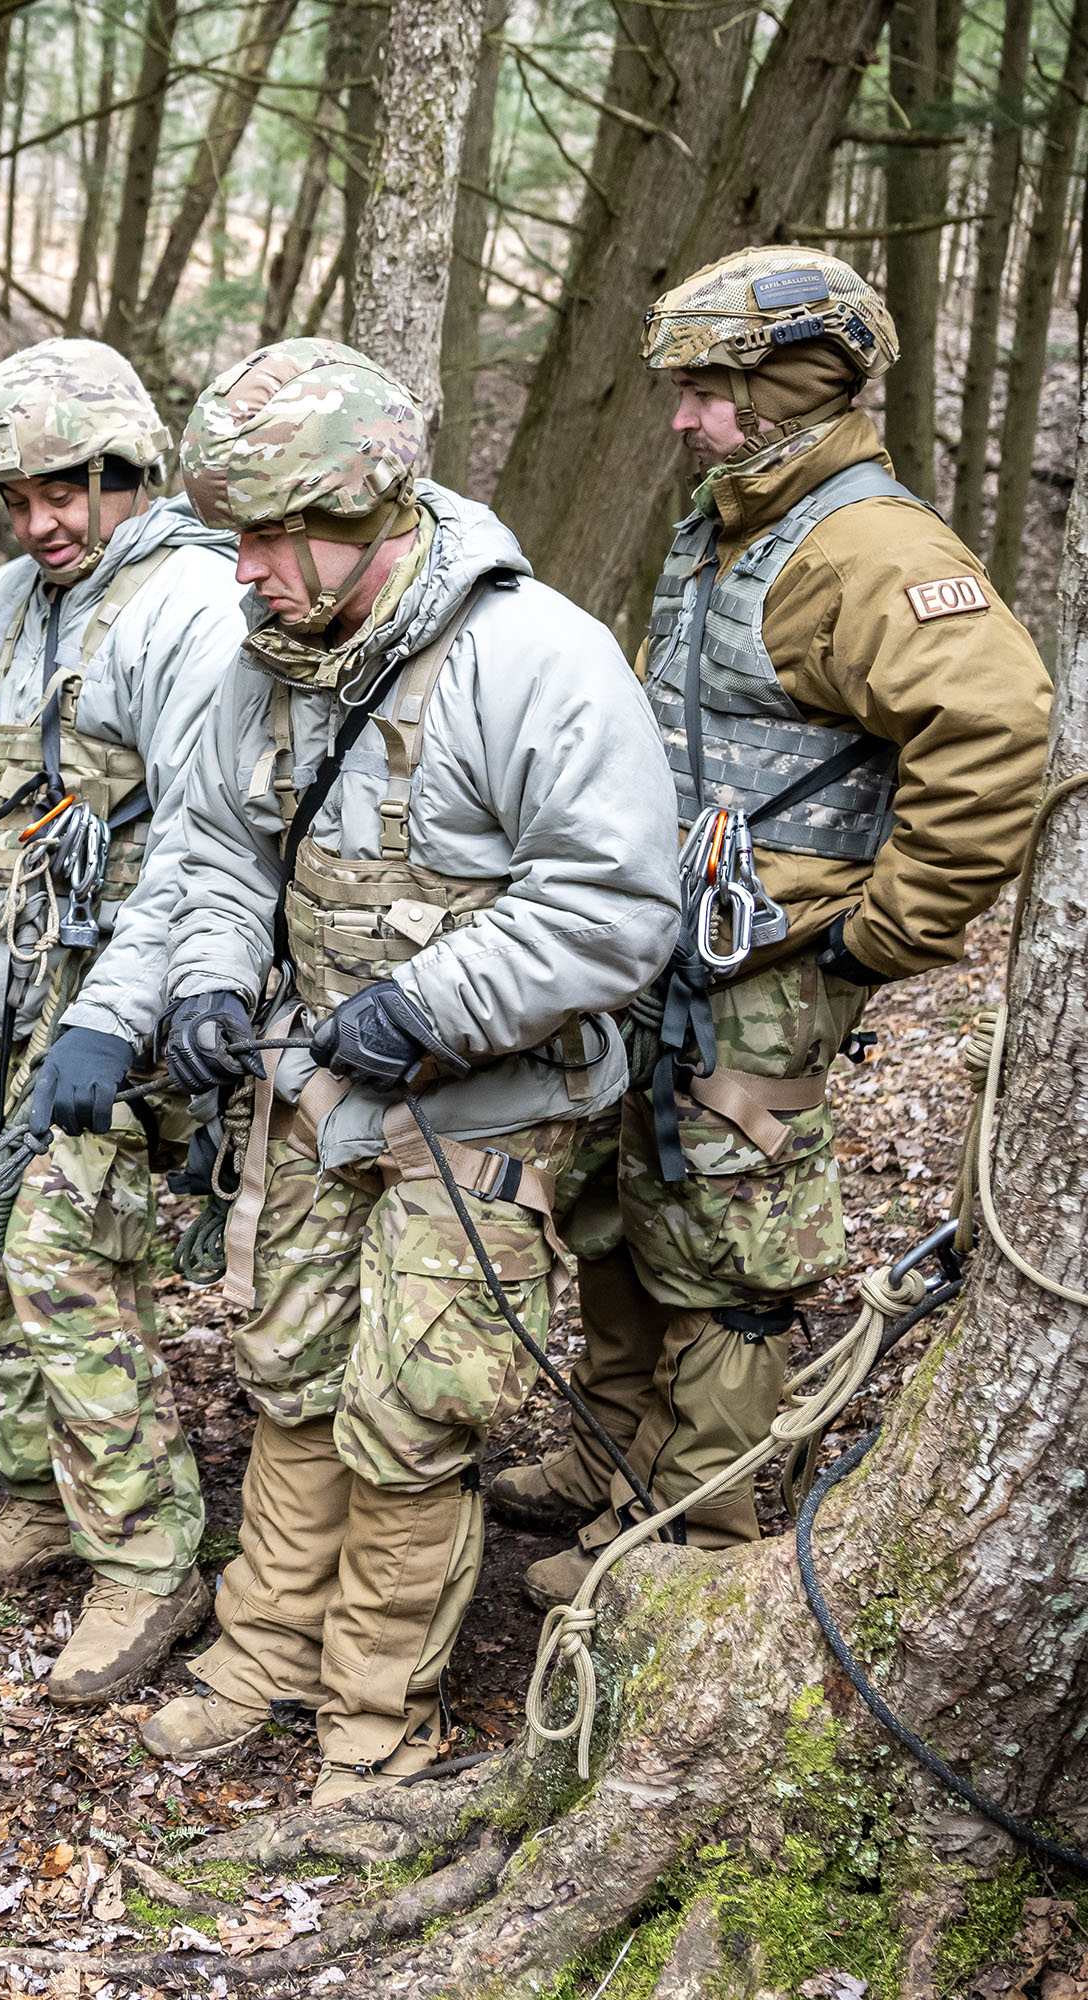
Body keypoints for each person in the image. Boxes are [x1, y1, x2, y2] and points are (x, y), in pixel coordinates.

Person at [133, 340, 679, 1802]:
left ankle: (372, 1716)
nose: (240, 570)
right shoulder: (262, 664)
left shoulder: (535, 657)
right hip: (317, 1102)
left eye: (263, 536)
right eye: (232, 536)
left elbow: (618, 907)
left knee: (416, 1404)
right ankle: (261, 1654)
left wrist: (424, 1005)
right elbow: (211, 849)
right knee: (292, 1371)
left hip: (481, 1115)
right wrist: (208, 980)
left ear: (358, 513)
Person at [493, 248, 1053, 1603]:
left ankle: (701, 1537)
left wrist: (881, 939)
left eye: (708, 390)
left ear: (792, 386)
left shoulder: (872, 545)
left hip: (769, 975)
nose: (682, 419)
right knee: (621, 1204)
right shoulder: (733, 523)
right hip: (668, 948)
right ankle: (621, 1454)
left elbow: (996, 732)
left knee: (730, 1244)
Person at [0, 339, 243, 1706]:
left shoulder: (193, 606)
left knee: (64, 1257)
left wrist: (125, 1017)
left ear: (128, 472)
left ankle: (149, 1560)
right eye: (17, 495)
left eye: (67, 490)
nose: (40, 522)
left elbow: (217, 841)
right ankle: (42, 1493)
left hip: (122, 1008)